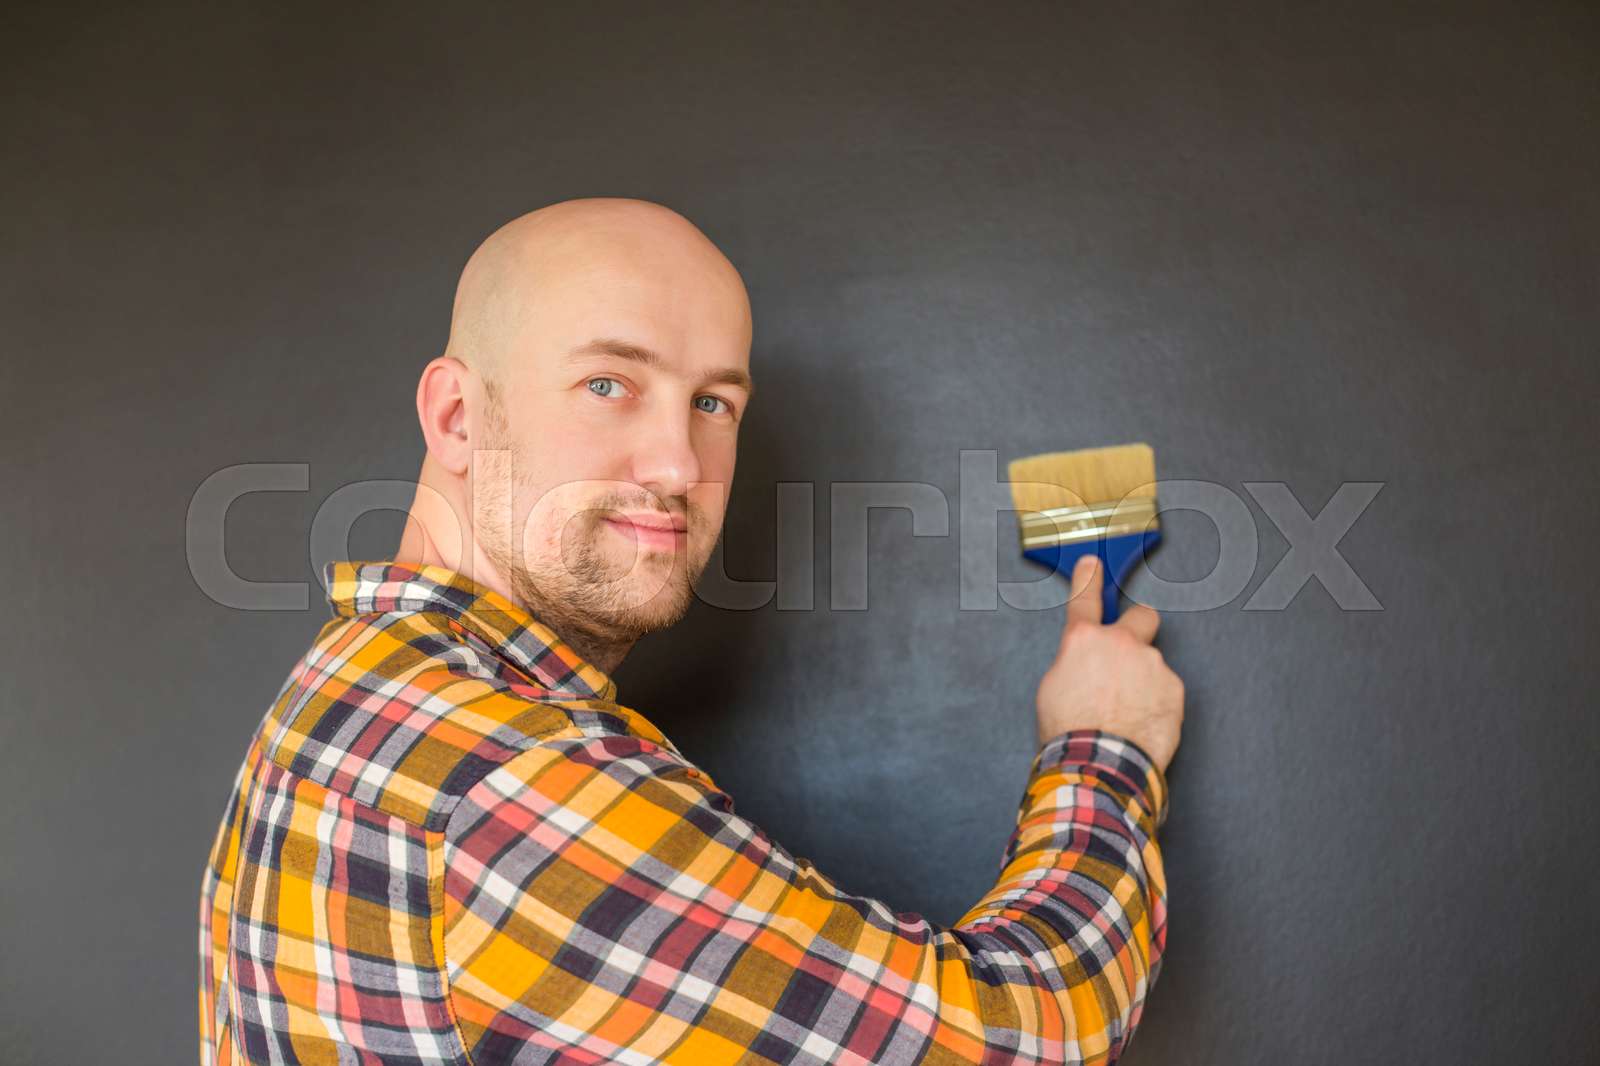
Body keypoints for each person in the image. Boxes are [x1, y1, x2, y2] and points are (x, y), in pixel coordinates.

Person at [197, 197, 1185, 1065]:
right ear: (457, 416)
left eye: (712, 401)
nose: (677, 462)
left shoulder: (351, 681)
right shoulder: (513, 782)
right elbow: (1023, 1036)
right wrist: (1102, 747)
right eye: (608, 384)